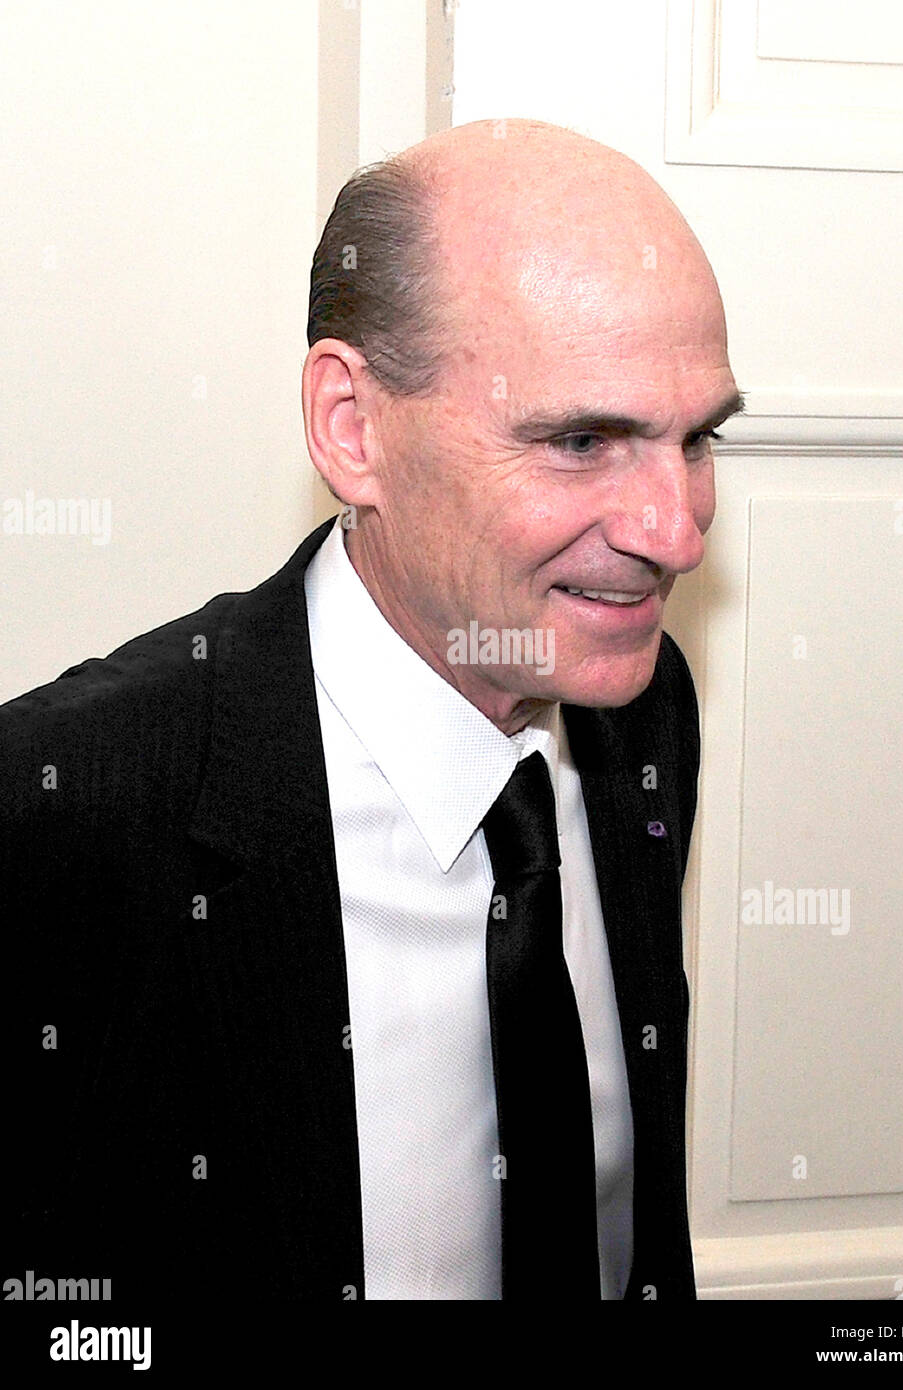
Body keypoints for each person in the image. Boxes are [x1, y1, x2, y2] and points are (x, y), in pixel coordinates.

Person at [3, 118, 742, 1303]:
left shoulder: (639, 719)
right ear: (353, 427)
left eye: (695, 437)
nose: (674, 531)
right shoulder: (64, 814)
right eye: (580, 439)